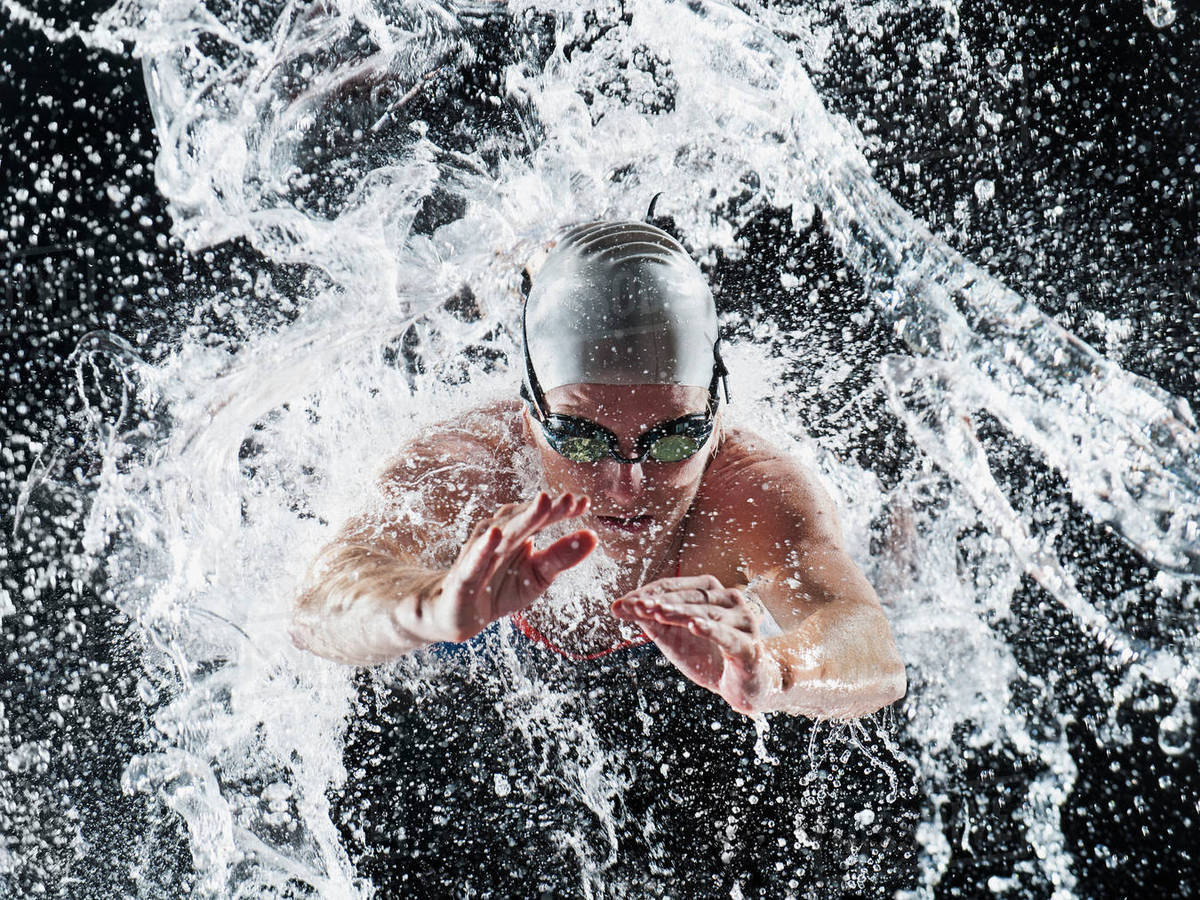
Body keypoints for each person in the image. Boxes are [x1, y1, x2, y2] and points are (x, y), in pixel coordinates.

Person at [290, 216, 906, 719]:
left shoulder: (748, 490)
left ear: (715, 414)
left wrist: (773, 670)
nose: (629, 483)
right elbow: (318, 607)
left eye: (672, 440)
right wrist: (428, 606)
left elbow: (871, 648)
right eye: (584, 441)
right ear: (529, 416)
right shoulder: (472, 470)